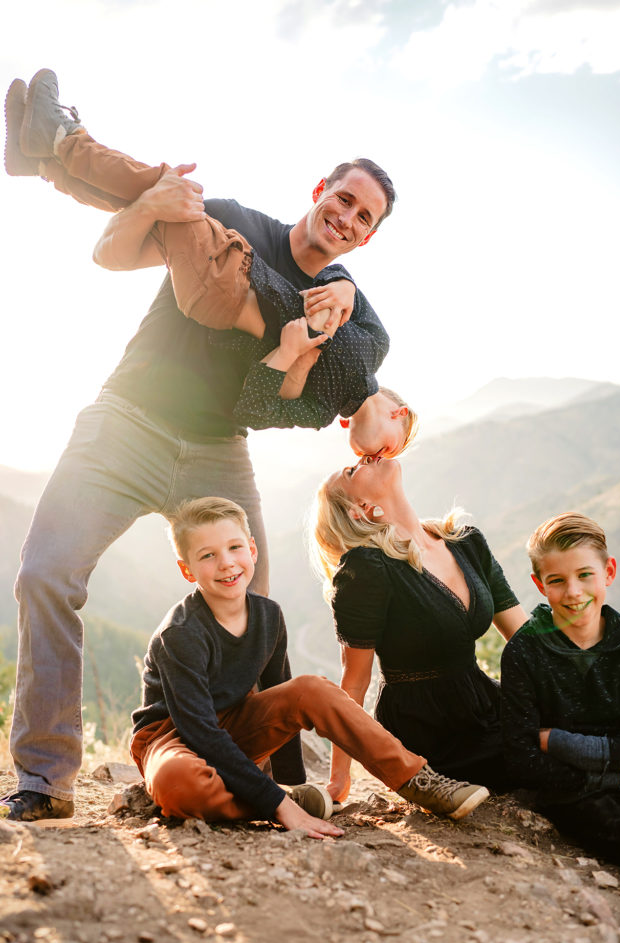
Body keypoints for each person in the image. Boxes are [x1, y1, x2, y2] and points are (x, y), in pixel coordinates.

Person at [3, 69, 401, 822]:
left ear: (369, 236)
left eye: (363, 216)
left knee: (258, 609)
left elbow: (352, 381)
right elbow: (111, 252)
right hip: (127, 421)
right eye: (343, 198)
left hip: (218, 447)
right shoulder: (231, 221)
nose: (346, 217)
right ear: (319, 190)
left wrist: (345, 315)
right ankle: (45, 778)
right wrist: (151, 205)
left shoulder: (350, 307)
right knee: (45, 574)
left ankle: (265, 776)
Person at [123, 497, 490, 837]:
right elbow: (200, 732)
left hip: (235, 723)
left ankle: (417, 779)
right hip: (174, 736)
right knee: (178, 783)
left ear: (252, 549)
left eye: (234, 547)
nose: (226, 563)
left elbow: (281, 705)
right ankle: (274, 802)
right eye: (208, 555)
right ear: (187, 570)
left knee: (310, 688)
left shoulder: (268, 616)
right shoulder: (181, 633)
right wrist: (281, 805)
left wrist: (294, 783)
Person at [311, 455, 528, 804]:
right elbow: (354, 681)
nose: (366, 457)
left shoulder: (465, 542)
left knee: (582, 728)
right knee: (549, 756)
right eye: (352, 470)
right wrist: (339, 778)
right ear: (359, 509)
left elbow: (524, 638)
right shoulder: (367, 568)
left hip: (484, 701)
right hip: (428, 728)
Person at [500, 512, 620, 889]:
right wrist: (615, 776)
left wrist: (559, 741)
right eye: (557, 580)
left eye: (585, 575)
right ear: (539, 585)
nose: (573, 592)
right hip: (573, 795)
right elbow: (522, 761)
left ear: (608, 572)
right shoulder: (524, 652)